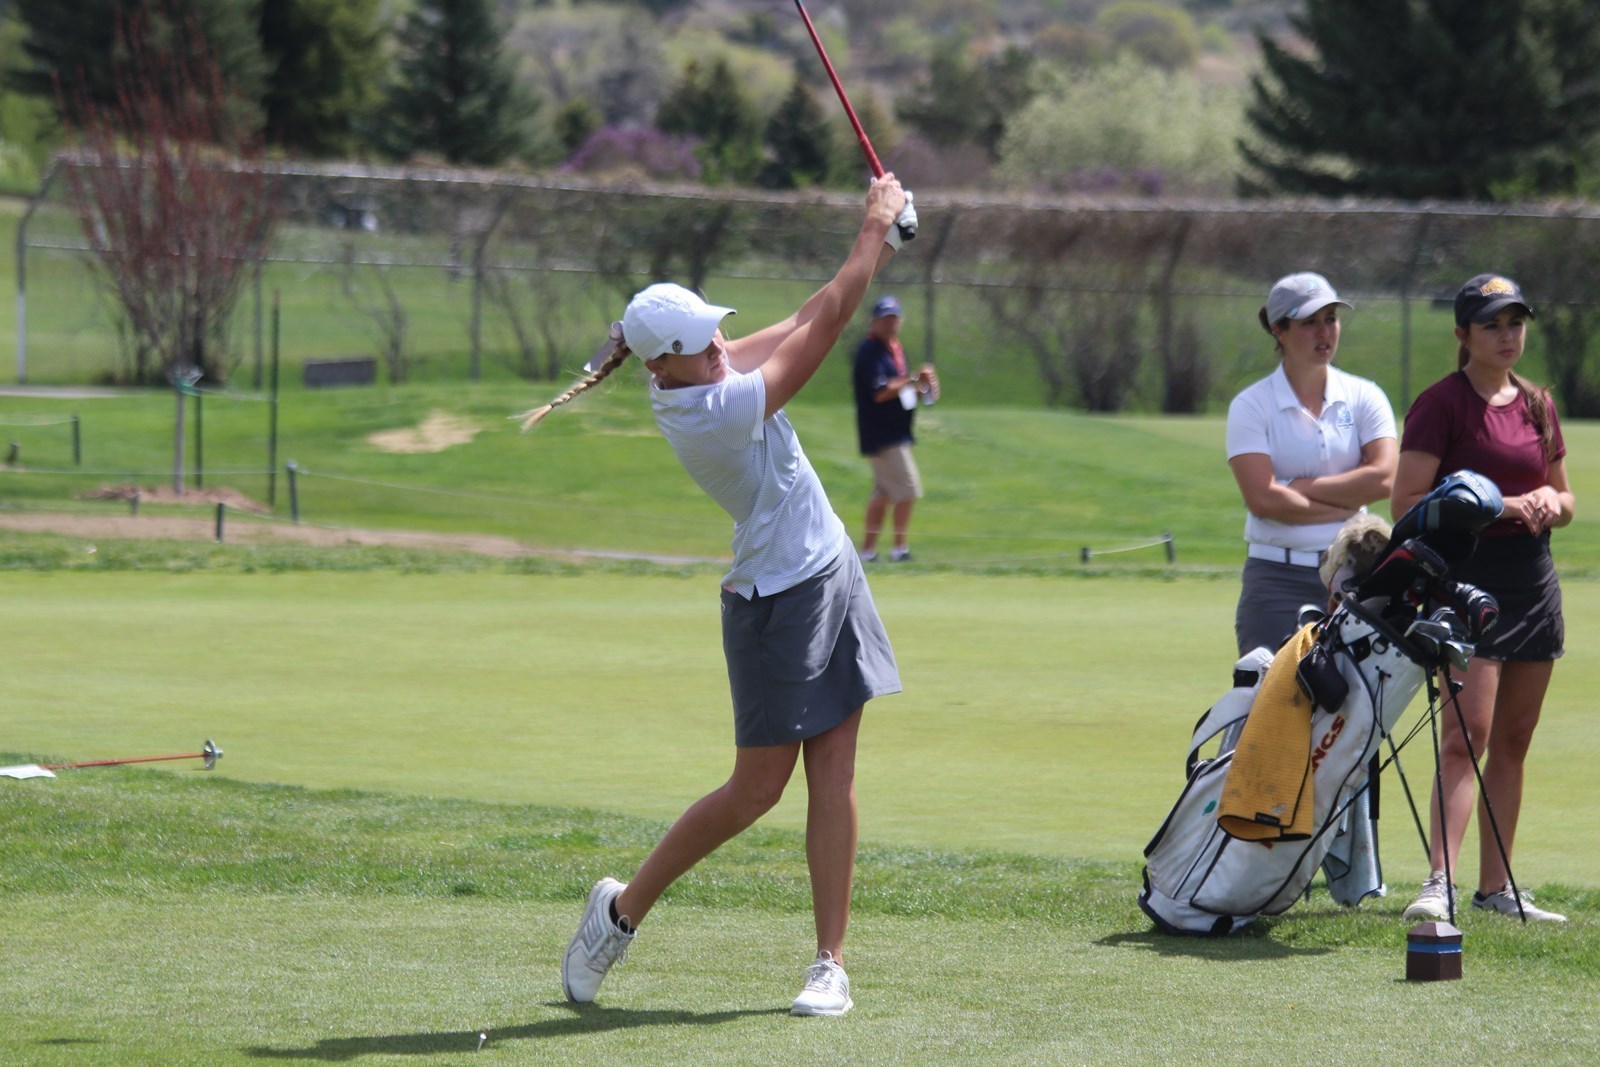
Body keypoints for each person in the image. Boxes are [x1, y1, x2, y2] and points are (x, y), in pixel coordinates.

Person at [520, 174, 916, 1014]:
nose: (722, 345)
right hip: (775, 599)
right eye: (704, 343)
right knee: (755, 791)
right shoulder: (713, 409)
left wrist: (875, 234)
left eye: (716, 332)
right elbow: (833, 324)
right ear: (665, 365)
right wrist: (875, 225)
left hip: (830, 566)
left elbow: (813, 308)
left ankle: (829, 962)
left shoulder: (708, 368)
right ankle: (618, 914)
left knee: (834, 776)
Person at [1396, 273, 1574, 924]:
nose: (1508, 335)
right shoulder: (1441, 403)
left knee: (1515, 739)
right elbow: (1407, 503)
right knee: (1463, 735)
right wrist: (1502, 506)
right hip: (1465, 586)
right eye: (1493, 323)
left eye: (1516, 322)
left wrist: (1553, 504)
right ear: (1462, 334)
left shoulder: (1537, 402)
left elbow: (1566, 495)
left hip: (1532, 585)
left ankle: (1495, 888)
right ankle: (1439, 881)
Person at [1225, 271, 1398, 656]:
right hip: (1276, 579)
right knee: (1267, 705)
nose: (1325, 332)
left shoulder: (1365, 396)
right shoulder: (1251, 405)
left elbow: (1384, 478)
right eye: (1309, 323)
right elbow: (1264, 500)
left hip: (1354, 575)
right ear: (1279, 330)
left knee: (1354, 710)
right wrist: (1349, 506)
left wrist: (1302, 489)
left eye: (1331, 319)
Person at [853, 294, 938, 562]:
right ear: (873, 322)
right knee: (908, 488)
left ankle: (866, 553)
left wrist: (923, 386)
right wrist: (912, 378)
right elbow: (879, 392)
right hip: (882, 435)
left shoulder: (895, 349)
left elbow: (901, 387)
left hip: (896, 431)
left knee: (883, 494)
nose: (890, 325)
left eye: (894, 319)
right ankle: (899, 550)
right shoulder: (870, 351)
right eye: (885, 319)